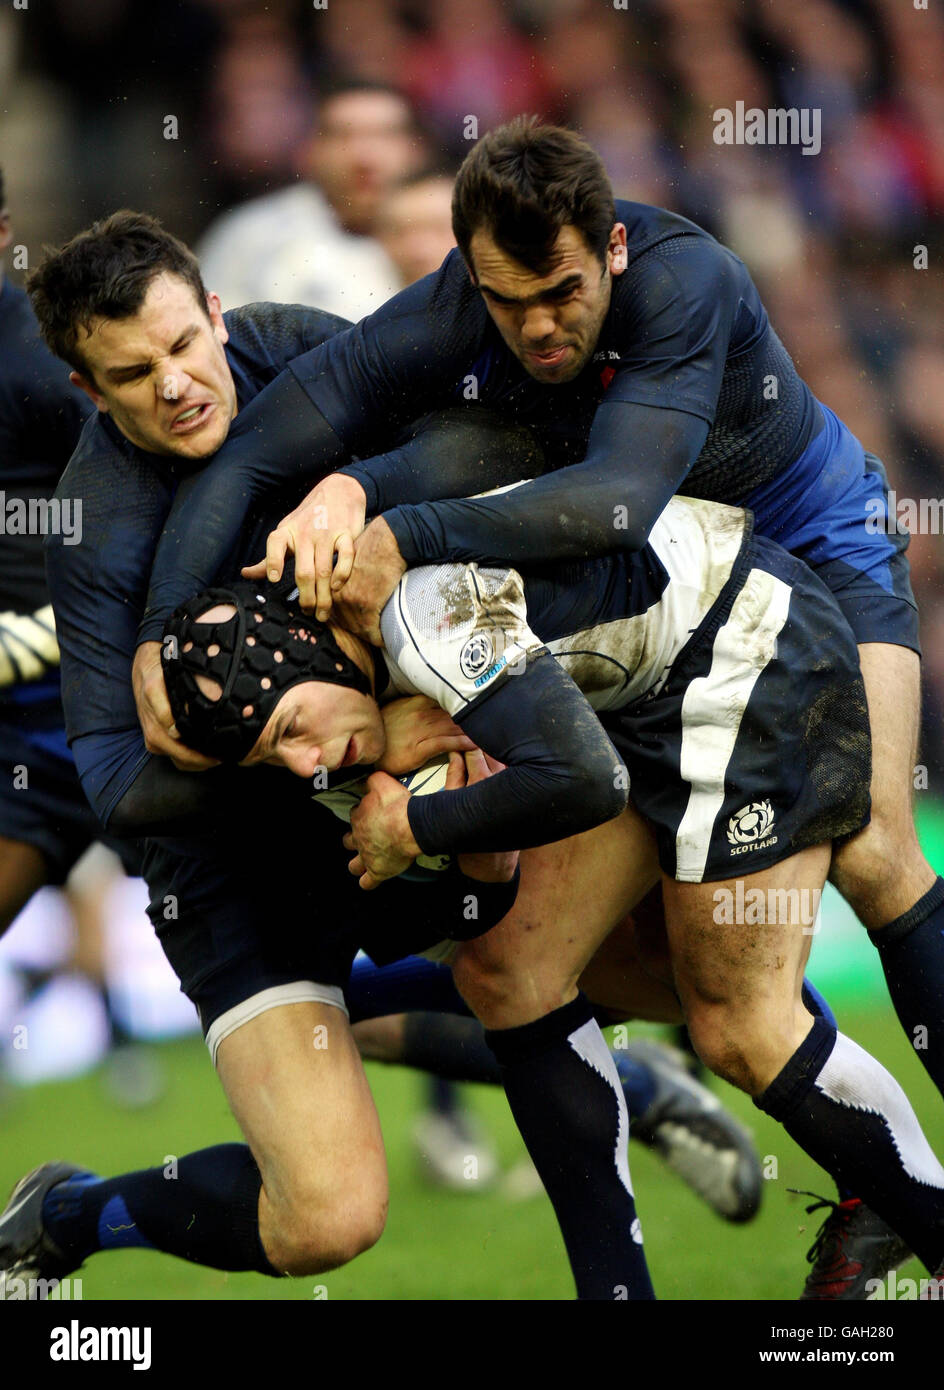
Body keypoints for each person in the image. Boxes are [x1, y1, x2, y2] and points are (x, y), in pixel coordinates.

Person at [134, 117, 942, 1292]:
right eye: (509, 301)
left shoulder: (684, 283)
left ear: (610, 248)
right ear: (469, 274)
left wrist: (386, 526)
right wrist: (163, 639)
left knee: (869, 843)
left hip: (798, 548)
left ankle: (898, 1186)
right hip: (645, 624)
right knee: (509, 965)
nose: (539, 326)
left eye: (562, 289)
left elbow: (614, 500)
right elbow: (260, 446)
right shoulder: (452, 315)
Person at [18, 212, 757, 1301]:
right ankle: (67, 1215)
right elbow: (123, 788)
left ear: (216, 311)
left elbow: (482, 452)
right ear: (91, 392)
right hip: (230, 869)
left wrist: (365, 521)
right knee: (328, 1217)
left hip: (402, 759)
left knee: (667, 974)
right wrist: (327, 760)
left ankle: (744, 1149)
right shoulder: (98, 532)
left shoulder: (305, 350)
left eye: (184, 344)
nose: (175, 383)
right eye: (134, 373)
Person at [142, 507, 944, 1291]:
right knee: (508, 974)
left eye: (290, 729)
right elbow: (419, 921)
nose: (306, 761)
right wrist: (480, 867)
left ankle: (909, 1210)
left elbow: (582, 780)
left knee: (741, 1024)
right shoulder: (339, 734)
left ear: (308, 649)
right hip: (633, 712)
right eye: (274, 753)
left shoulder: (421, 616)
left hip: (740, 648)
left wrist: (419, 823)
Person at [195, 79, 424, 322]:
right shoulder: (250, 234)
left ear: (416, 150)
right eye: (343, 136)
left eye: (384, 135)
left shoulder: (450, 233)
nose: (364, 157)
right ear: (311, 149)